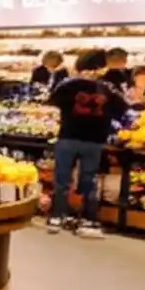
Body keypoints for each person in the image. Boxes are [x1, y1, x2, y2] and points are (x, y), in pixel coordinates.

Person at [47, 49, 129, 238]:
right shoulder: (108, 88)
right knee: (89, 180)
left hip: (68, 136)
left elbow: (52, 101)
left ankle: (57, 216)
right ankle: (89, 219)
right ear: (101, 67)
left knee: (62, 180)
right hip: (94, 140)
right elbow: (123, 110)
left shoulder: (68, 85)